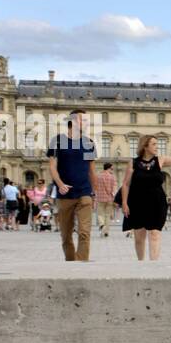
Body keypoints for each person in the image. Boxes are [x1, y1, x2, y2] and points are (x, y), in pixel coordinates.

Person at [47, 109, 97, 261]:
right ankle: (71, 263)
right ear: (73, 121)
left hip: (84, 192)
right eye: (84, 120)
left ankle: (81, 264)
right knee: (66, 235)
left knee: (84, 232)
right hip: (65, 194)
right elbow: (52, 167)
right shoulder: (57, 141)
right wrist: (60, 184)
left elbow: (91, 170)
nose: (87, 123)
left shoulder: (89, 143)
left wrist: (93, 193)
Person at [94, 163, 118, 237]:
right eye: (112, 169)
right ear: (108, 168)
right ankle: (106, 231)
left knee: (100, 214)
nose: (112, 170)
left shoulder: (98, 176)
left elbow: (95, 187)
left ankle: (102, 225)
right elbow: (114, 190)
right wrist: (114, 199)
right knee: (108, 215)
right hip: (109, 198)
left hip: (100, 198)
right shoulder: (112, 177)